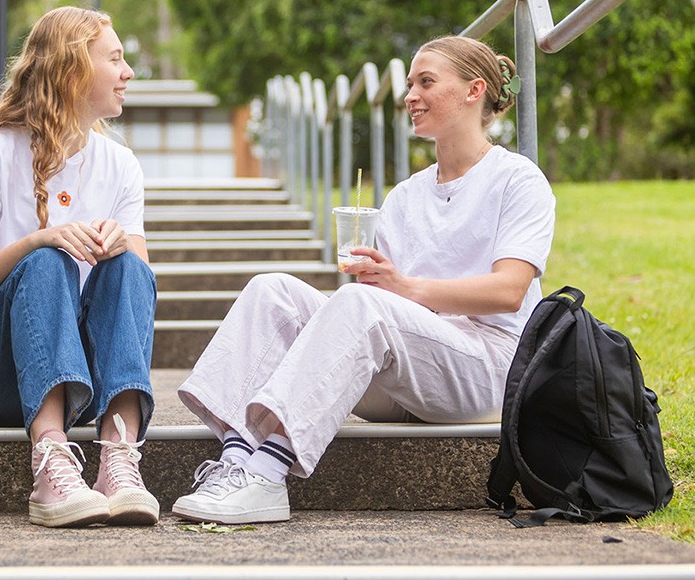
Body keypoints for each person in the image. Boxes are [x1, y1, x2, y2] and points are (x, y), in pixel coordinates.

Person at [171, 35, 556, 525]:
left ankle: (269, 475)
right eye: (409, 84)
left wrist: (402, 288)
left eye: (426, 82)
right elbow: (382, 305)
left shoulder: (517, 180)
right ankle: (235, 462)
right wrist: (374, 281)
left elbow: (509, 292)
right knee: (273, 289)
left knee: (361, 306)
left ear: (473, 90)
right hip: (404, 369)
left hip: (487, 367)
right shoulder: (405, 196)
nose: (410, 95)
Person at [0, 6, 160, 528]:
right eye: (116, 58)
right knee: (45, 259)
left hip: (79, 378)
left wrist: (120, 245)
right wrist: (38, 240)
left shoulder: (121, 164)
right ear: (72, 69)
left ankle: (119, 460)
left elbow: (140, 286)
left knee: (127, 264)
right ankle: (50, 461)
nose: (128, 73)